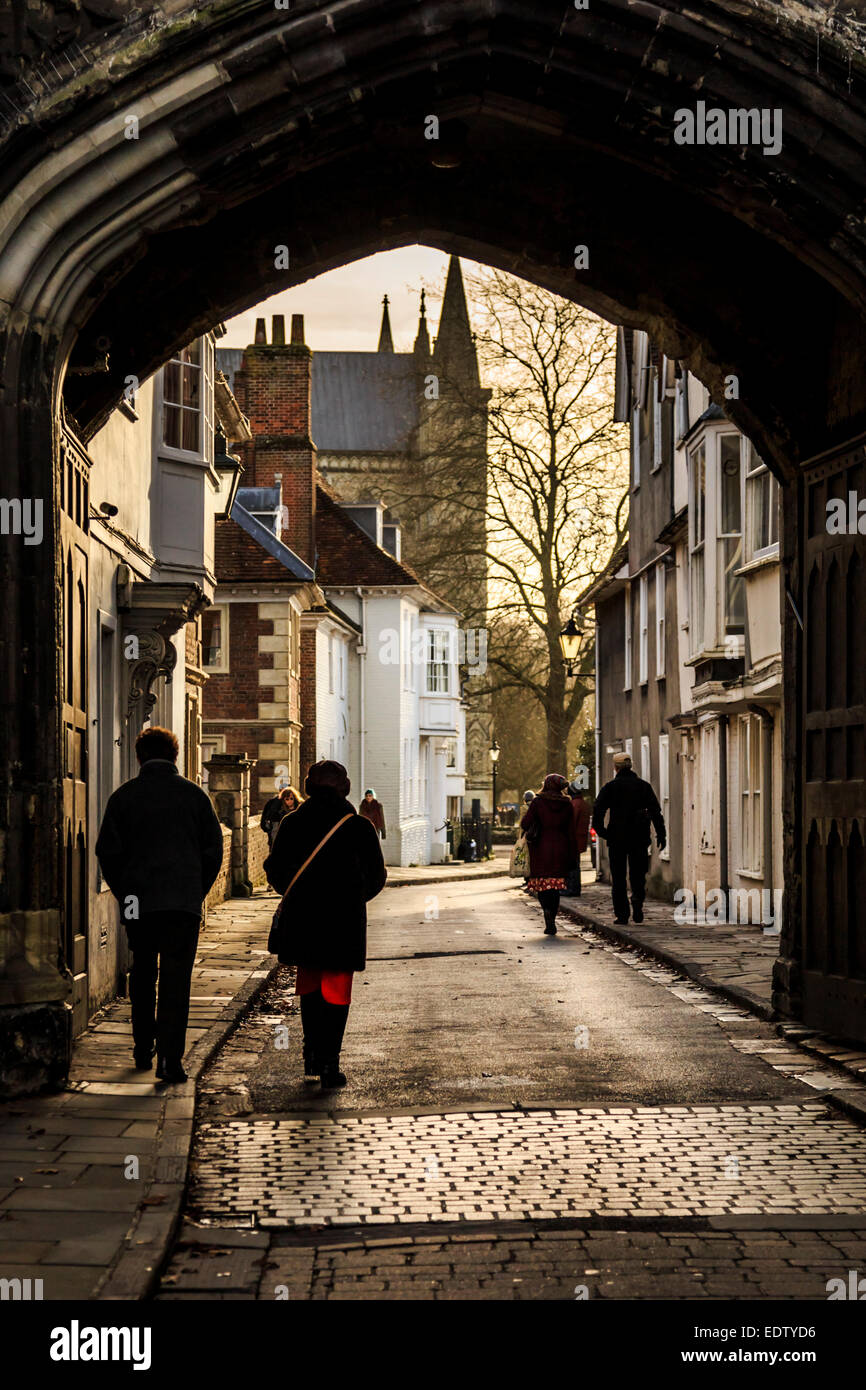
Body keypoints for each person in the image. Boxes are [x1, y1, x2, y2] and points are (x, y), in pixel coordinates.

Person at [95, 725, 224, 1083]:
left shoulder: (123, 797)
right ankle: (169, 1059)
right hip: (181, 902)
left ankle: (141, 1045)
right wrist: (195, 891)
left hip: (138, 902)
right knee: (175, 980)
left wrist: (127, 894)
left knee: (142, 970)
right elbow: (213, 850)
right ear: (175, 756)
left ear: (139, 757)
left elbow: (107, 852)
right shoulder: (195, 797)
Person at [264, 760, 387, 1090]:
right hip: (342, 923)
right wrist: (353, 898)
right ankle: (330, 1062)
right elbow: (377, 876)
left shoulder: (292, 824)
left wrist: (296, 895)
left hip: (303, 921)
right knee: (336, 993)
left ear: (308, 787)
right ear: (345, 789)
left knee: (310, 990)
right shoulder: (359, 827)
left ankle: (312, 1054)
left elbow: (275, 871)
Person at [591, 751, 666, 925]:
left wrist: (603, 832)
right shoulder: (643, 786)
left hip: (617, 838)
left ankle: (622, 914)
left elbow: (598, 812)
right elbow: (656, 812)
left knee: (618, 877)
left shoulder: (610, 787)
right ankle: (637, 900)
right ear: (631, 766)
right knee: (638, 874)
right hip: (639, 837)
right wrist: (661, 834)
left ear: (615, 767)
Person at [519, 773, 578, 935]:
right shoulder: (567, 804)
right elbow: (571, 831)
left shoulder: (538, 802)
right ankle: (552, 914)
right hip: (560, 848)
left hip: (540, 847)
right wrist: (573, 854)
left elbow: (525, 823)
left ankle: (547, 913)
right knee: (555, 886)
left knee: (543, 884)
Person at [563, 782, 591, 897]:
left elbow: (571, 822)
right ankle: (575, 888)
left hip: (573, 839)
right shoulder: (584, 804)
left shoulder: (574, 804)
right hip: (580, 838)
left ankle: (572, 889)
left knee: (572, 865)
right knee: (575, 864)